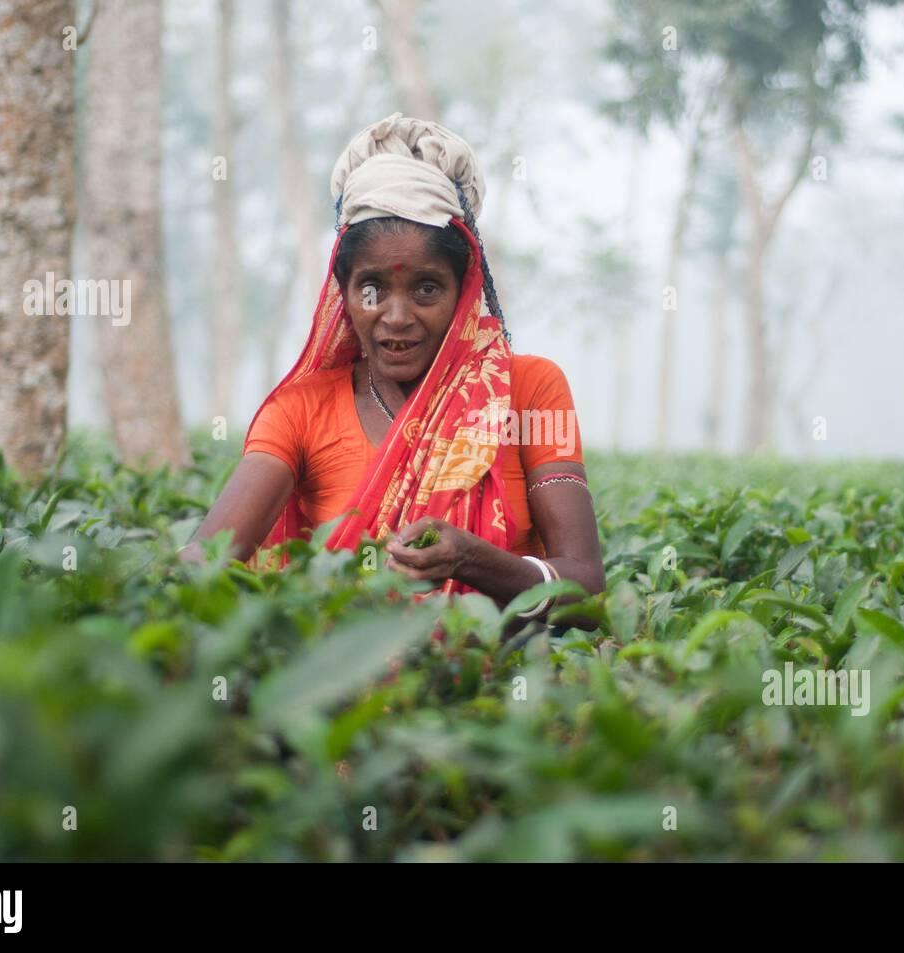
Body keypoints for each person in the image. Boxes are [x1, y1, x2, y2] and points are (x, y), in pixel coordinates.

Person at [181, 113, 604, 624]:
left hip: (489, 688)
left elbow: (585, 588)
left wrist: (476, 561)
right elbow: (202, 567)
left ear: (464, 289)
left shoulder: (531, 389)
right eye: (372, 288)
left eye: (426, 287)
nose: (397, 317)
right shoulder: (298, 411)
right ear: (343, 292)